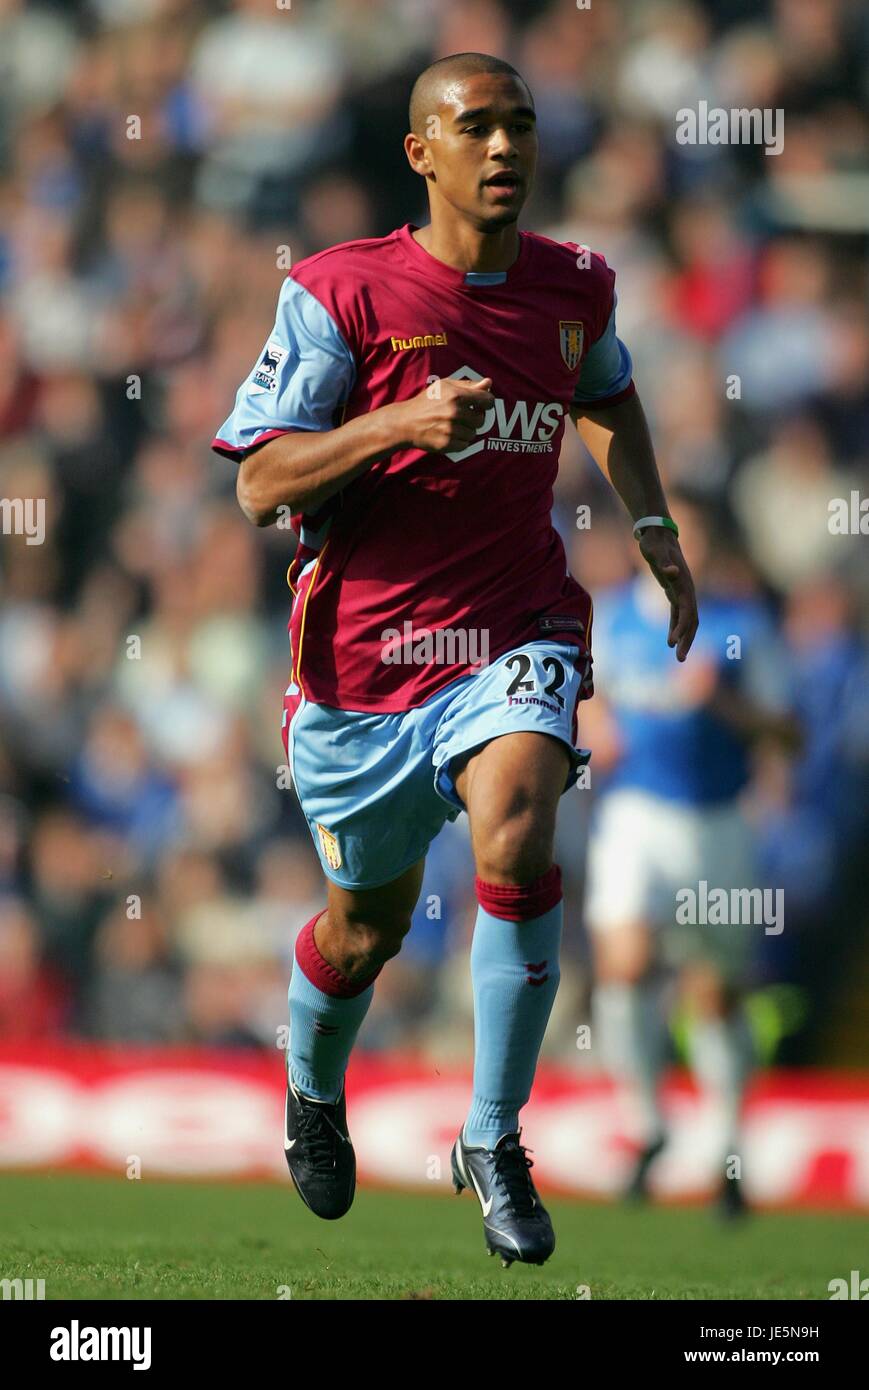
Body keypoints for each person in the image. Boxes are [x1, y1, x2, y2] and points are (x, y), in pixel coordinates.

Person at [212, 51, 698, 1268]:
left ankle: (490, 1136)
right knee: (361, 931)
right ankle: (314, 1091)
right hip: (361, 674)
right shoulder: (341, 294)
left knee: (519, 818)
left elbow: (608, 395)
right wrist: (394, 422)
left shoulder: (575, 285)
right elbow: (260, 482)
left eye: (519, 125)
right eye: (473, 126)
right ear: (421, 151)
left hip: (512, 629)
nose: (503, 148)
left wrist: (650, 527)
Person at [584, 494, 799, 1216]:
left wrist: (726, 707)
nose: (671, 547)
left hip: (717, 822)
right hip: (636, 814)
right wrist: (596, 726)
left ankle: (729, 1151)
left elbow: (789, 737)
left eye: (687, 534)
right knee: (625, 962)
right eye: (659, 532)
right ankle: (646, 1128)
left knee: (714, 993)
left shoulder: (742, 628)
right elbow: (586, 699)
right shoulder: (611, 617)